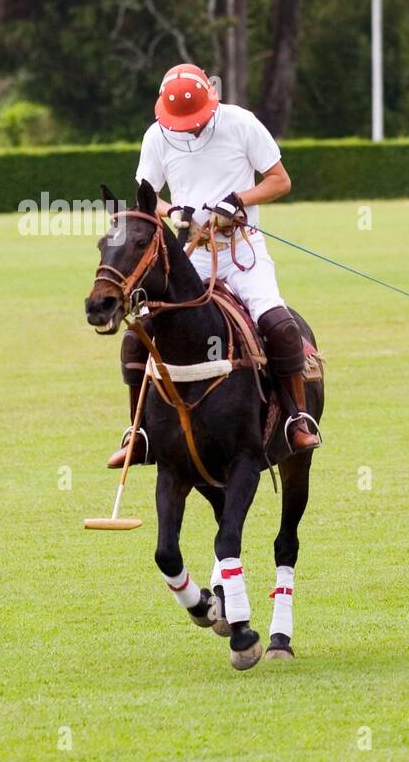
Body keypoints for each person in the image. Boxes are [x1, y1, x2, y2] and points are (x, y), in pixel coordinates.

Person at [105, 62, 320, 468]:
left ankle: (295, 418)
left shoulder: (241, 123)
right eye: (180, 124)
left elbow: (279, 180)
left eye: (195, 122)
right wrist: (177, 212)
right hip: (192, 256)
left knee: (278, 325)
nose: (188, 129)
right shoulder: (156, 136)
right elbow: (147, 200)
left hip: (243, 250)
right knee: (140, 335)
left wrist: (238, 200)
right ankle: (141, 433)